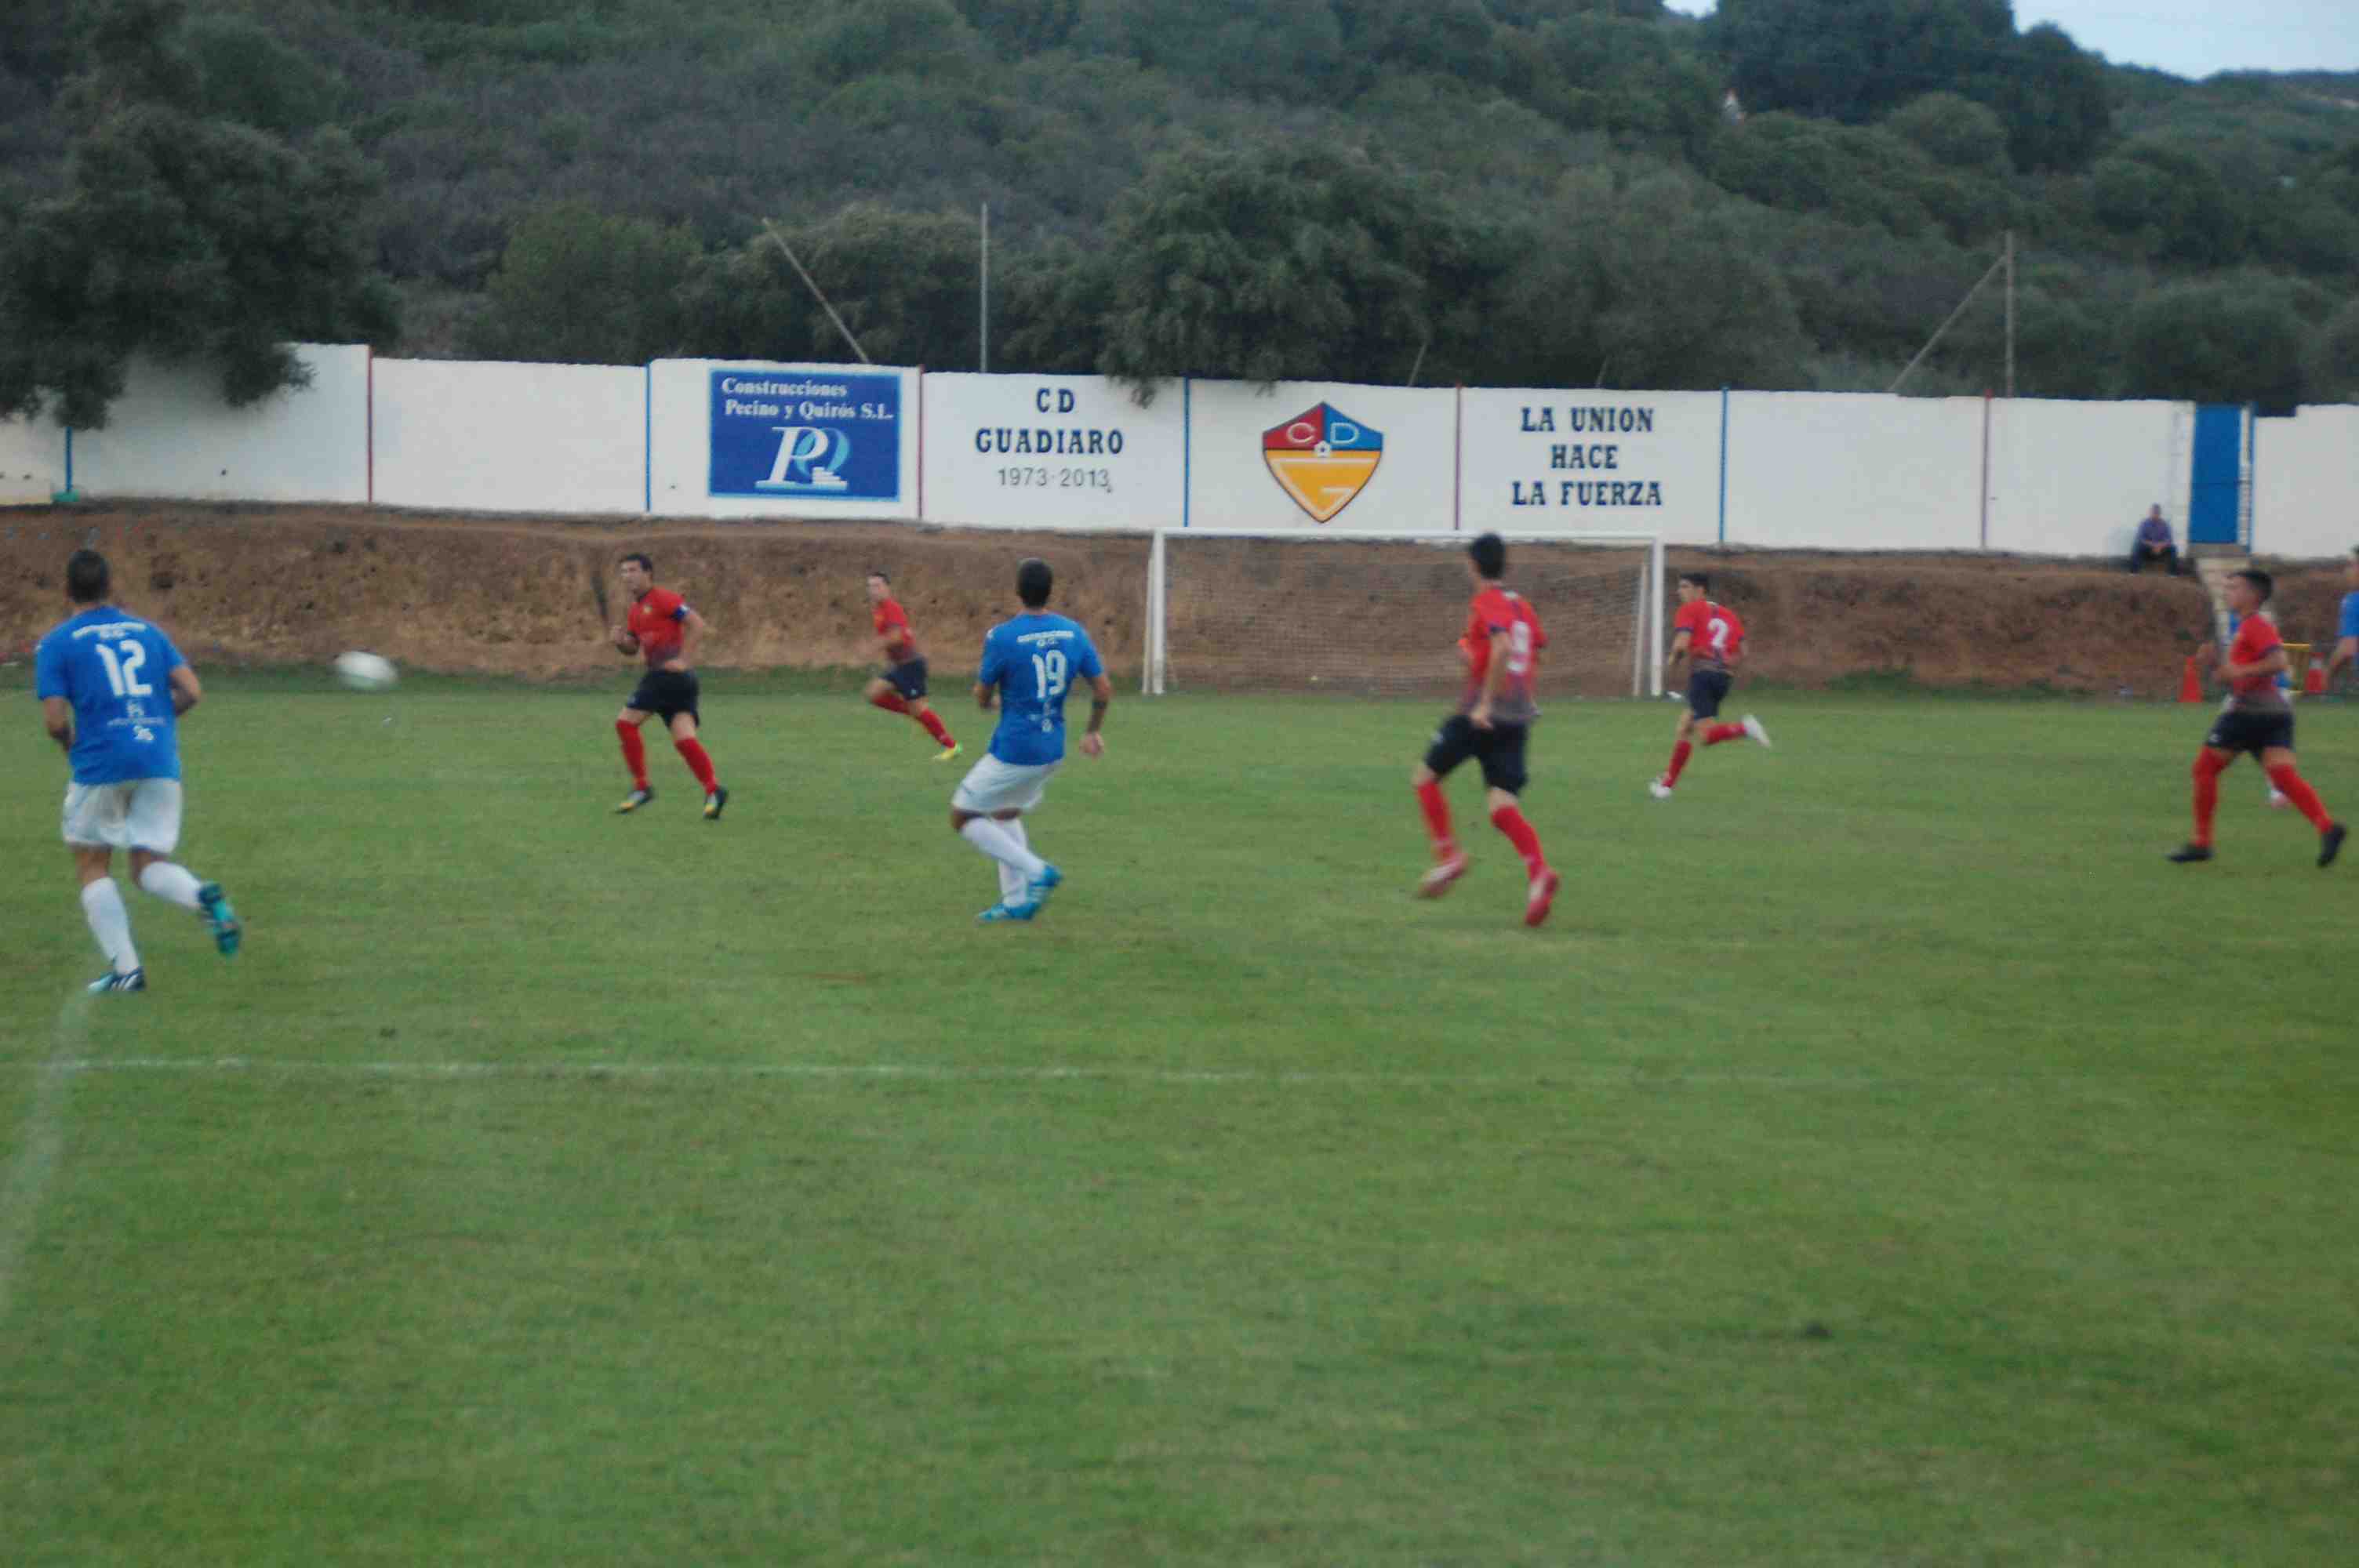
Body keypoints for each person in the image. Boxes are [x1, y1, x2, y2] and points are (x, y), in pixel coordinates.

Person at [35, 549, 241, 993]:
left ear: (67, 591)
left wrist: (72, 747)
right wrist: (156, 722)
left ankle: (128, 972)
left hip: (101, 762)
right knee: (147, 865)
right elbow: (191, 690)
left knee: (92, 862)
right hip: (158, 758)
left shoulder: (57, 643)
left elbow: (54, 721)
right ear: (111, 588)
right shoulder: (148, 633)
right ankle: (204, 898)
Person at [1410, 532, 1560, 927]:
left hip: (1481, 714)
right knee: (1501, 808)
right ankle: (1539, 873)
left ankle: (1449, 857)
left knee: (1425, 779)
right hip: (1517, 718)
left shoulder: (1487, 601)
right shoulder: (1523, 607)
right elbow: (1531, 651)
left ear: (1473, 564)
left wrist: (1485, 704)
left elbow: (1504, 649)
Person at [949, 557, 1111, 922]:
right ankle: (1016, 902)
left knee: (961, 815)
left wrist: (990, 702)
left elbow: (981, 695)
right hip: (1052, 749)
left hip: (1015, 749)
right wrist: (1091, 731)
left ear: (1018, 592)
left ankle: (1038, 872)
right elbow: (1103, 688)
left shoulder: (1003, 636)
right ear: (1050, 591)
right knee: (1006, 811)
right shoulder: (1074, 632)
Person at [2170, 568, 2344, 867]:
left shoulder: (2254, 626)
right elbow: (2238, 674)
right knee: (2283, 777)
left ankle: (2202, 842)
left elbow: (2278, 661)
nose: (2228, 592)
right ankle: (2328, 828)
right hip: (2276, 713)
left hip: (2248, 713)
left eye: (2234, 587)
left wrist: (2237, 671)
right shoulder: (2245, 628)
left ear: (2252, 595)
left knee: (2204, 770)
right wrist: (2217, 666)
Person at [610, 552, 726, 818]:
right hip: (678, 682)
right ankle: (713, 790)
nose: (627, 576)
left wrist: (684, 659)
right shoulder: (636, 610)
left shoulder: (663, 598)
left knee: (625, 724)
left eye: (633, 570)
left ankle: (641, 787)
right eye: (624, 572)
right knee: (685, 740)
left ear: (648, 573)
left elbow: (697, 624)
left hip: (667, 676)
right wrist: (620, 642)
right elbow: (632, 648)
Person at [1651, 572, 1770, 800]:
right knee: (1685, 727)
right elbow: (1743, 651)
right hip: (1722, 679)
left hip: (1703, 676)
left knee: (1704, 736)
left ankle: (1746, 728)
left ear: (1700, 591)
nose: (1680, 592)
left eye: (1685, 587)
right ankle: (1666, 786)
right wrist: (1725, 665)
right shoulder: (1728, 614)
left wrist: (1672, 661)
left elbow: (1682, 643)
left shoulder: (1689, 610)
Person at [863, 570, 960, 761]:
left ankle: (952, 746)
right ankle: (919, 715)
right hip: (898, 667)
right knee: (873, 694)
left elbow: (897, 637)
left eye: (877, 586)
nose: (873, 590)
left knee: (919, 710)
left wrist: (875, 646)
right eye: (870, 586)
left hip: (910, 667)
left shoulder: (892, 608)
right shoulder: (879, 611)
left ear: (887, 588)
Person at [2318, 546, 2359, 691]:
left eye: (2353, 566)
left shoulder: (2353, 601)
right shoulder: (2352, 600)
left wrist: (2328, 676)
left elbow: (2348, 647)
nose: (2348, 572)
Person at [2128, 506, 2180, 575]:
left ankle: (2173, 574)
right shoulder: (2144, 523)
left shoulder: (2165, 524)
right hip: (2148, 549)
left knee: (2173, 548)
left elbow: (2169, 539)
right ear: (2150, 513)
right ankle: (2134, 572)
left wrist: (2160, 546)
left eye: (2157, 513)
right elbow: (2140, 538)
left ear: (2160, 514)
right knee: (2136, 546)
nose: (2155, 514)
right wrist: (2153, 545)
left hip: (2161, 549)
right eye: (2154, 512)